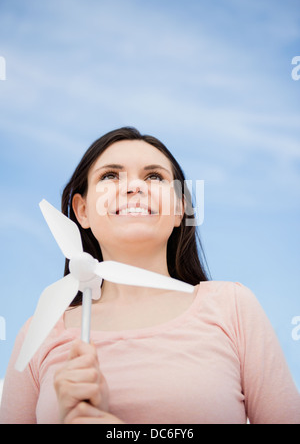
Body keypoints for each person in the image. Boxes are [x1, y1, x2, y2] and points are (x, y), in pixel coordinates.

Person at [0, 127, 299, 424]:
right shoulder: (38, 334)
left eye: (154, 177)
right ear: (82, 211)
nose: (134, 187)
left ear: (181, 207)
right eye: (110, 176)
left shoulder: (232, 306)